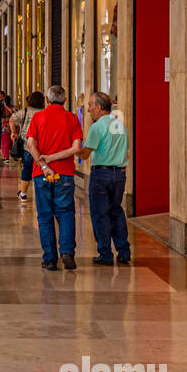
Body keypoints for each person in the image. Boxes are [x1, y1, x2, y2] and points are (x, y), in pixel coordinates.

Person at [26, 84, 83, 271]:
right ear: (65, 100)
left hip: (41, 174)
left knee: (44, 216)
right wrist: (54, 159)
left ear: (47, 99)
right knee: (66, 213)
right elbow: (76, 148)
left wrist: (44, 164)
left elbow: (31, 144)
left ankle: (50, 259)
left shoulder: (38, 117)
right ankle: (67, 252)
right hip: (65, 173)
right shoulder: (72, 118)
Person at [79, 91, 131, 265]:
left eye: (90, 106)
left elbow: (86, 154)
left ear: (99, 107)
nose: (88, 110)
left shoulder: (97, 127)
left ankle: (105, 253)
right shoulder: (120, 125)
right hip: (120, 174)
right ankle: (124, 251)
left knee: (100, 214)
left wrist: (71, 151)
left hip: (101, 175)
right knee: (116, 211)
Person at [13, 91, 45, 202]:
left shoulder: (25, 111)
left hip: (27, 146)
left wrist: (13, 133)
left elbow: (12, 119)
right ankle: (41, 193)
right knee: (42, 168)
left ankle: (23, 193)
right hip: (41, 148)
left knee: (26, 169)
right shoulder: (45, 112)